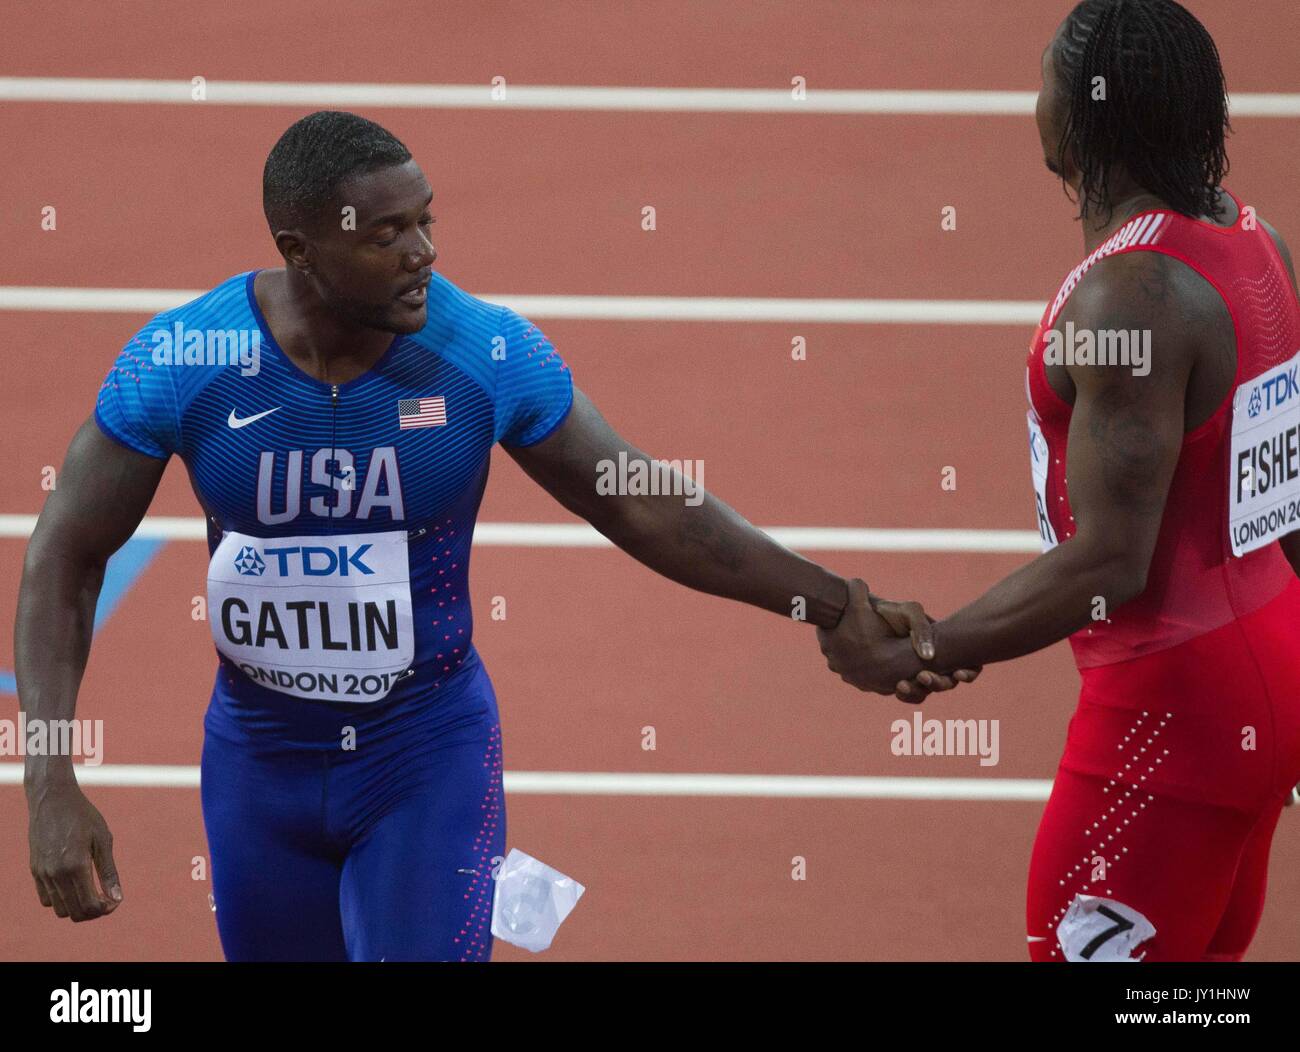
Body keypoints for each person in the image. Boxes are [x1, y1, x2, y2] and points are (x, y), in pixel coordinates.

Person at [17, 111, 973, 961]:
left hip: (422, 756)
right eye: (387, 233)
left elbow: (642, 502)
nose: (424, 250)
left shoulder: (483, 354)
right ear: (298, 249)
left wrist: (830, 601)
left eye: (428, 218)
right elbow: (66, 554)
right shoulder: (189, 360)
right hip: (255, 766)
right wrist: (49, 780)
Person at [820, 0, 1300, 961]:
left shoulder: (1129, 296)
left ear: (1085, 116)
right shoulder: (1259, 244)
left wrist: (930, 646)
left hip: (1165, 715)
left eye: (1043, 78)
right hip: (1265, 672)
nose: (1031, 98)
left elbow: (1113, 562)